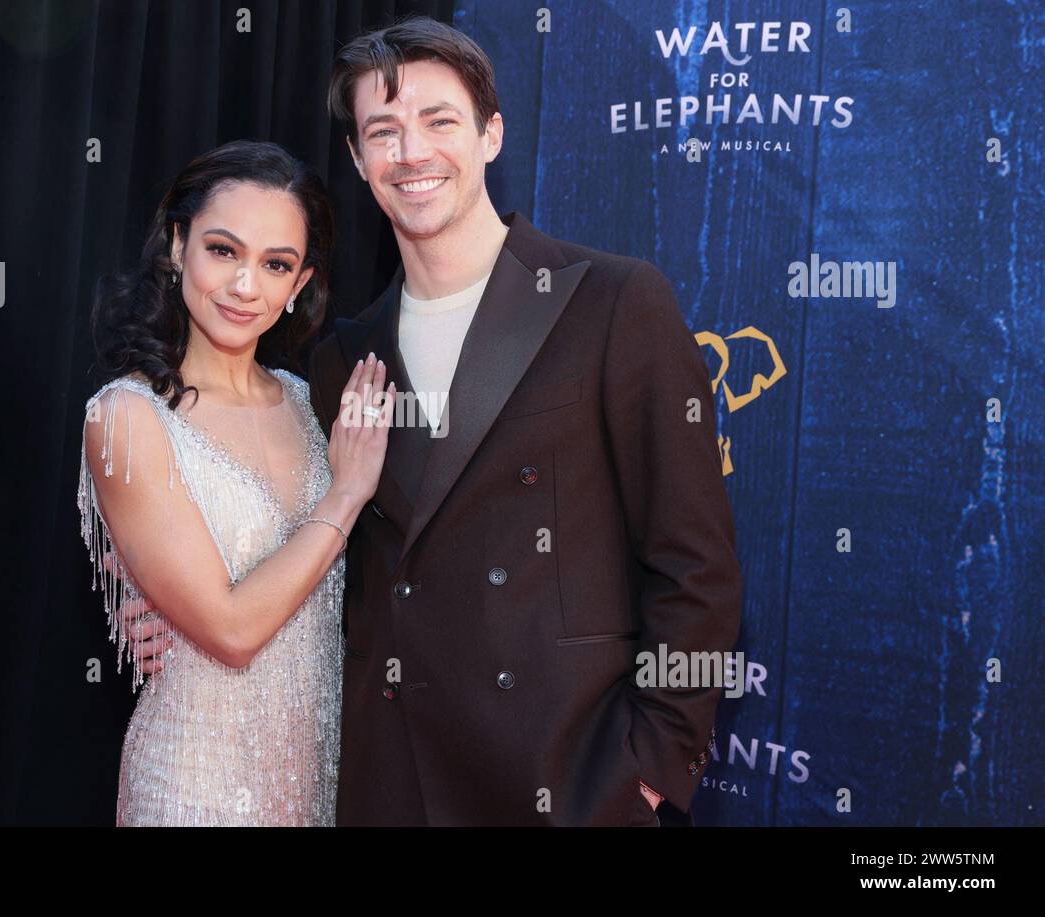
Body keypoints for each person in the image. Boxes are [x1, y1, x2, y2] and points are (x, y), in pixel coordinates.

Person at [135, 17, 743, 827]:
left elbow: (695, 566)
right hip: (393, 787)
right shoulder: (340, 357)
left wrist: (651, 770)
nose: (411, 152)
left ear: (492, 134)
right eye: (382, 130)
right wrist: (174, 603)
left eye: (438, 121)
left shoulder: (613, 302)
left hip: (568, 786)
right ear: (358, 160)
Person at [77, 139, 393, 826]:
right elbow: (231, 630)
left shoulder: (311, 405)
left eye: (275, 264)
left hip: (318, 783)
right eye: (224, 250)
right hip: (195, 786)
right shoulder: (128, 418)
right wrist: (345, 494)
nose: (246, 285)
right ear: (177, 244)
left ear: (299, 284)